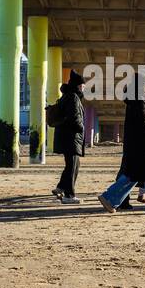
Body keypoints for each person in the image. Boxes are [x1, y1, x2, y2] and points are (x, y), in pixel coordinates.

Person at [99, 80, 145, 214]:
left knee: (133, 174)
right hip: (144, 145)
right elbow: (144, 124)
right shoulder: (139, 101)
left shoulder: (136, 100)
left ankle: (109, 198)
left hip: (137, 145)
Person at [49, 70, 87, 203]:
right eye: (83, 85)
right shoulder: (73, 97)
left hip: (66, 137)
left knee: (72, 165)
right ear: (78, 85)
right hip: (71, 137)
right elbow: (74, 118)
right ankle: (69, 196)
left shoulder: (66, 96)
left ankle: (61, 187)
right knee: (72, 166)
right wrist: (82, 127)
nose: (84, 88)